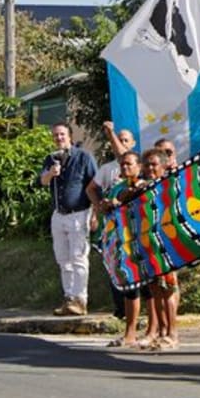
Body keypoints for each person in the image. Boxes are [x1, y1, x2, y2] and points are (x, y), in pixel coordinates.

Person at [39, 122, 98, 316]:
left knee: (79, 257)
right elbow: (41, 181)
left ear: (70, 136)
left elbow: (94, 185)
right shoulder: (51, 158)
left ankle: (81, 300)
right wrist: (51, 173)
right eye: (55, 135)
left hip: (79, 213)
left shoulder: (83, 157)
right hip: (59, 214)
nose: (59, 138)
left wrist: (95, 213)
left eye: (62, 134)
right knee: (63, 259)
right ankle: (69, 298)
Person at [85, 122, 137, 321]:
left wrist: (110, 132)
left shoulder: (136, 165)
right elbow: (91, 189)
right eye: (118, 138)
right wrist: (97, 207)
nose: (120, 142)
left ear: (132, 143)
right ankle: (120, 310)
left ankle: (134, 312)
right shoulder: (108, 168)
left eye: (125, 140)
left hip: (132, 226)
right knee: (114, 266)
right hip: (112, 226)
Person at [102, 150, 149, 348]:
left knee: (149, 288)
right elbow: (111, 203)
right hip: (124, 241)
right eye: (122, 164)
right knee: (130, 288)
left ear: (139, 166)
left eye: (129, 164)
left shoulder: (144, 184)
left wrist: (120, 200)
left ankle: (154, 330)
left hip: (144, 240)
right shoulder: (117, 187)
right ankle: (130, 333)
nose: (125, 167)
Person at [137, 146, 180, 351]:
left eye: (154, 164)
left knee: (168, 289)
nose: (150, 168)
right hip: (148, 245)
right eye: (147, 165)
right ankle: (161, 332)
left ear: (163, 166)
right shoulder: (140, 188)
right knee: (154, 290)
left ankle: (172, 334)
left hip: (167, 244)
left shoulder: (170, 185)